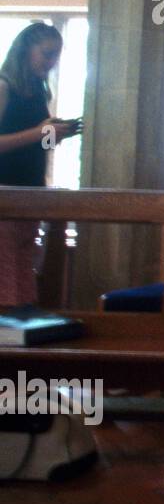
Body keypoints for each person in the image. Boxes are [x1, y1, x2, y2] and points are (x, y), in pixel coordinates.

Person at [0, 22, 81, 306]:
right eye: (47, 54)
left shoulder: (38, 91)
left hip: (30, 191)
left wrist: (54, 135)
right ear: (25, 50)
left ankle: (23, 331)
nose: (52, 62)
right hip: (5, 195)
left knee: (23, 270)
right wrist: (39, 132)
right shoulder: (3, 87)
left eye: (56, 55)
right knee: (5, 274)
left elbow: (37, 144)